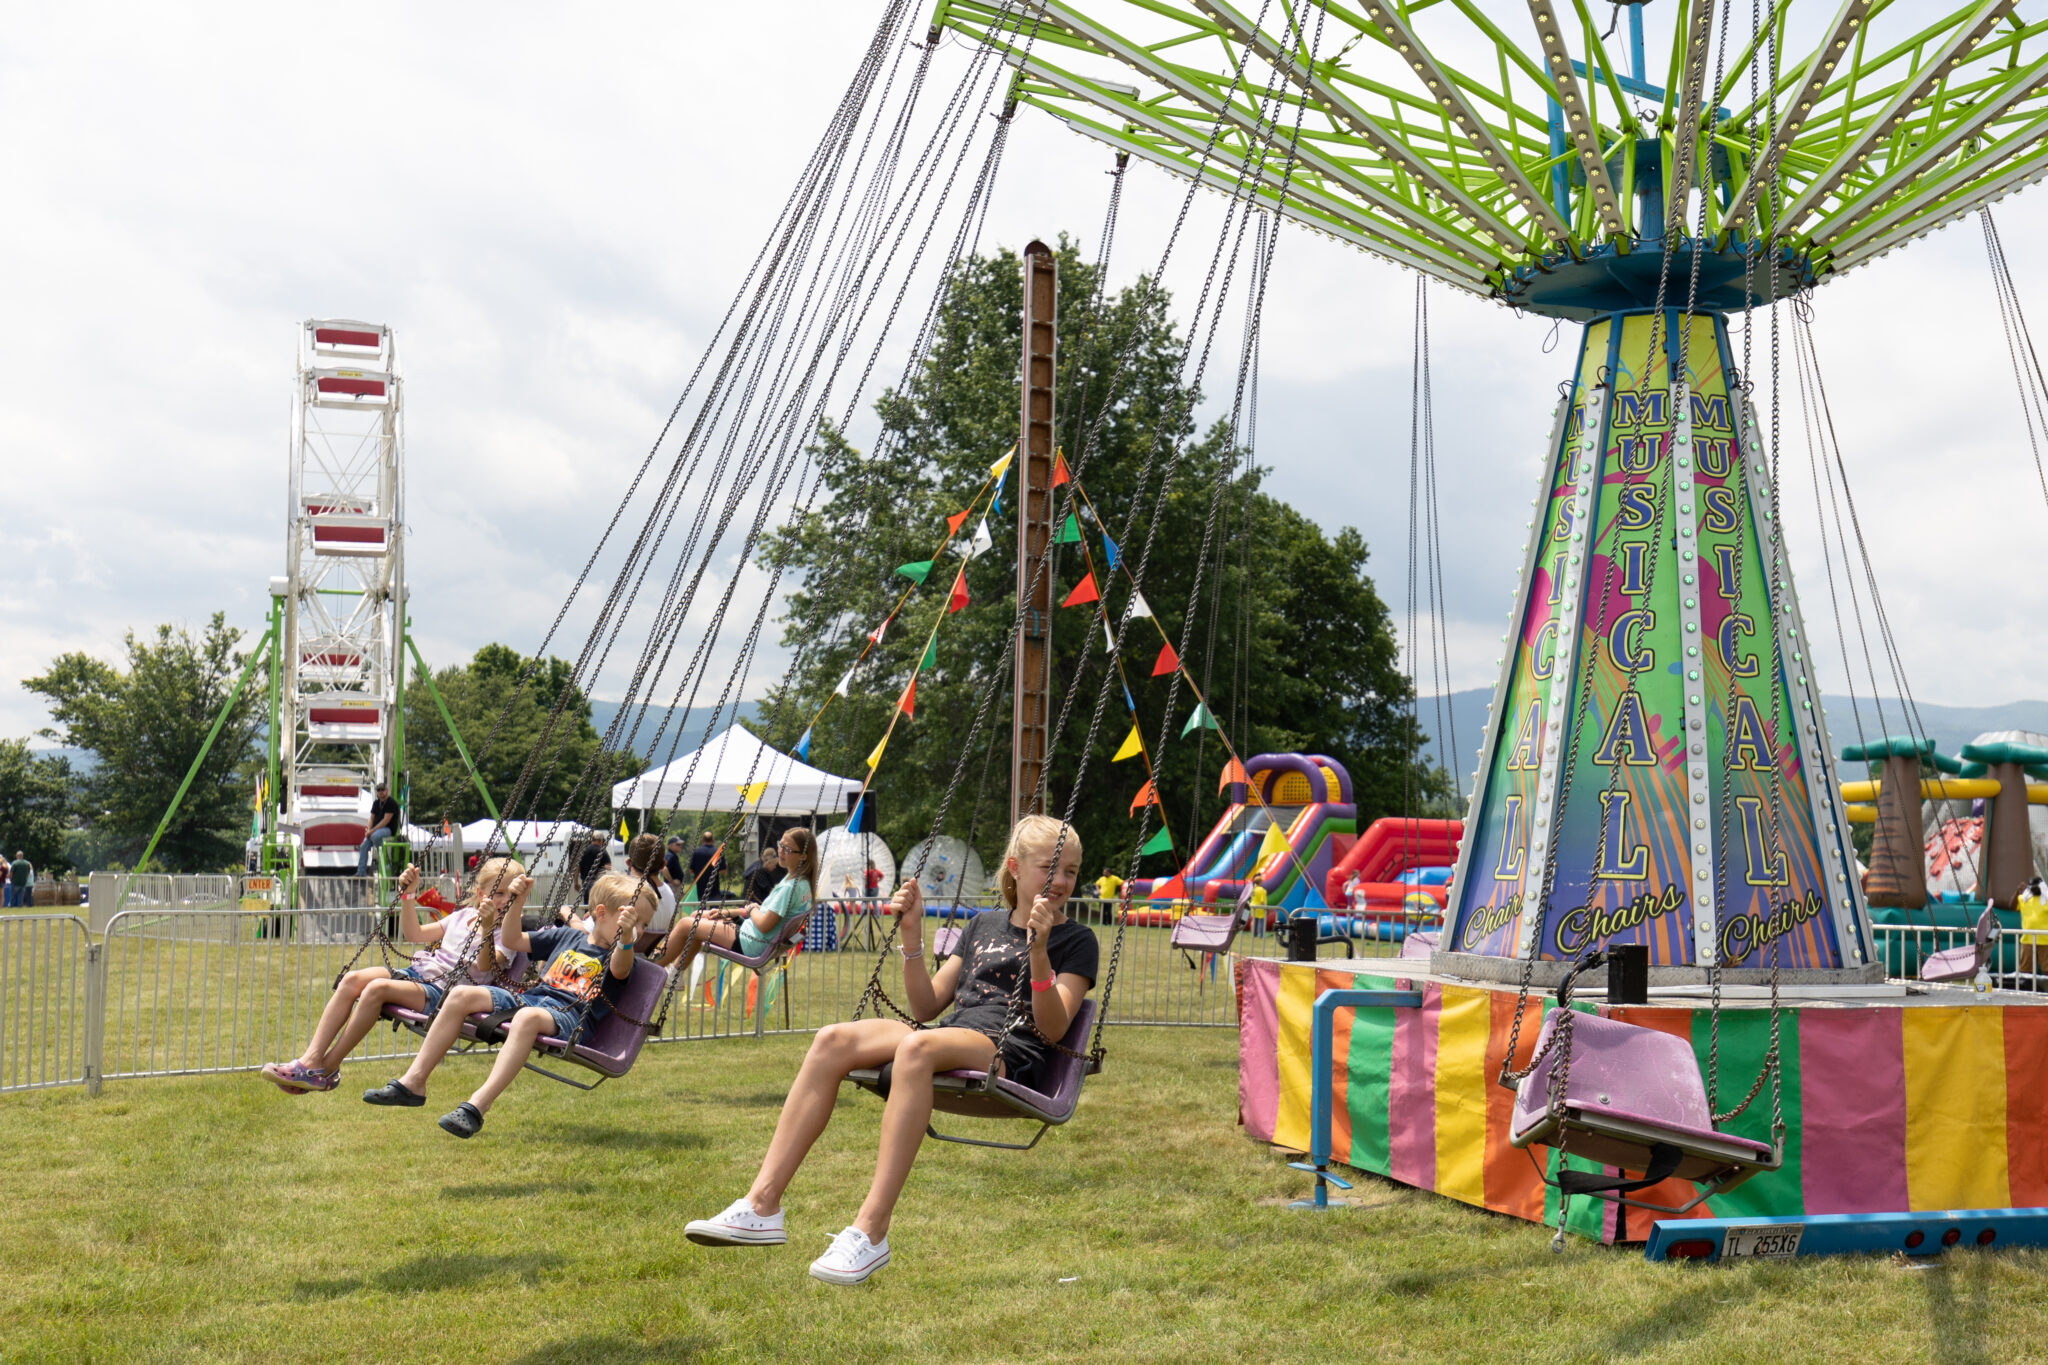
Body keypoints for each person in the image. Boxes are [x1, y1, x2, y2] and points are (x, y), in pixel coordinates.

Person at [684, 814, 1095, 1285]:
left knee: (917, 1047)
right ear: (1016, 868)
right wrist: (911, 935)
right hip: (953, 1036)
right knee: (833, 1039)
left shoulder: (1076, 940)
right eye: (1050, 868)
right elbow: (926, 1004)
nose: (1061, 881)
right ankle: (762, 1205)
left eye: (1071, 871)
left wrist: (1039, 953)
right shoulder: (983, 924)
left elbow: (1054, 1027)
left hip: (1010, 1055)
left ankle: (871, 1230)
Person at [363, 871, 654, 1138]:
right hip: (531, 999)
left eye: (643, 924)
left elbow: (620, 969)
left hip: (569, 1017)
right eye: (633, 919)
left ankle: (477, 1106)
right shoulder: (568, 936)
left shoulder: (621, 955)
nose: (638, 929)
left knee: (527, 1017)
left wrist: (625, 939)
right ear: (601, 913)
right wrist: (518, 901)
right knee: (462, 994)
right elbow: (513, 939)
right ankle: (414, 1082)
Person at [258, 861, 527, 1093]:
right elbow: (414, 934)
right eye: (498, 893)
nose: (504, 900)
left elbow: (486, 965)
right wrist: (408, 895)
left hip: (444, 993)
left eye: (511, 895)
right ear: (480, 894)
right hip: (420, 975)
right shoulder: (462, 916)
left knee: (376, 989)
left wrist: (488, 929)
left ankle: (326, 1069)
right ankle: (311, 1058)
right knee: (352, 980)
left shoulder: (509, 935)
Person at [658, 829, 816, 972]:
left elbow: (764, 925)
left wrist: (752, 909)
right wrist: (731, 912)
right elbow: (771, 914)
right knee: (697, 916)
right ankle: (675, 973)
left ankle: (654, 967)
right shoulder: (803, 884)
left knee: (685, 924)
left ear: (803, 856)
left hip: (751, 942)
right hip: (756, 937)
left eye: (787, 849)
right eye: (780, 845)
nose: (780, 851)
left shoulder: (789, 887)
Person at [355, 783, 400, 877]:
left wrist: (371, 831)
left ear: (387, 791)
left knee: (375, 836)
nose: (380, 792)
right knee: (363, 846)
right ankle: (361, 872)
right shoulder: (376, 803)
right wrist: (369, 830)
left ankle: (385, 860)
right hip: (375, 830)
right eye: (378, 790)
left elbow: (386, 820)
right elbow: (371, 818)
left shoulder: (391, 803)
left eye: (382, 790)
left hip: (388, 829)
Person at [2019, 875, 2048, 981]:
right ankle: (2027, 989)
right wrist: (2018, 892)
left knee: (2046, 970)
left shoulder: (2046, 900)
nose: (2034, 890)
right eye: (2032, 888)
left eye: (2036, 887)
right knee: (2025, 970)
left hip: (2045, 941)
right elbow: (2011, 905)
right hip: (2028, 941)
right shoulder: (2025, 899)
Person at [575, 827, 611, 899]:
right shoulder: (602, 851)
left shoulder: (583, 851)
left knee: (587, 904)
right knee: (597, 904)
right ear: (600, 840)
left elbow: (577, 867)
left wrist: (576, 882)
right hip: (597, 884)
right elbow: (608, 867)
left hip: (585, 883)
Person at [689, 831, 723, 901]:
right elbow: (723, 871)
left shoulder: (696, 852)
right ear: (713, 840)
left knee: (701, 907)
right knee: (714, 908)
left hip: (699, 890)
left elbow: (690, 870)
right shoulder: (717, 852)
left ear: (702, 840)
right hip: (714, 890)